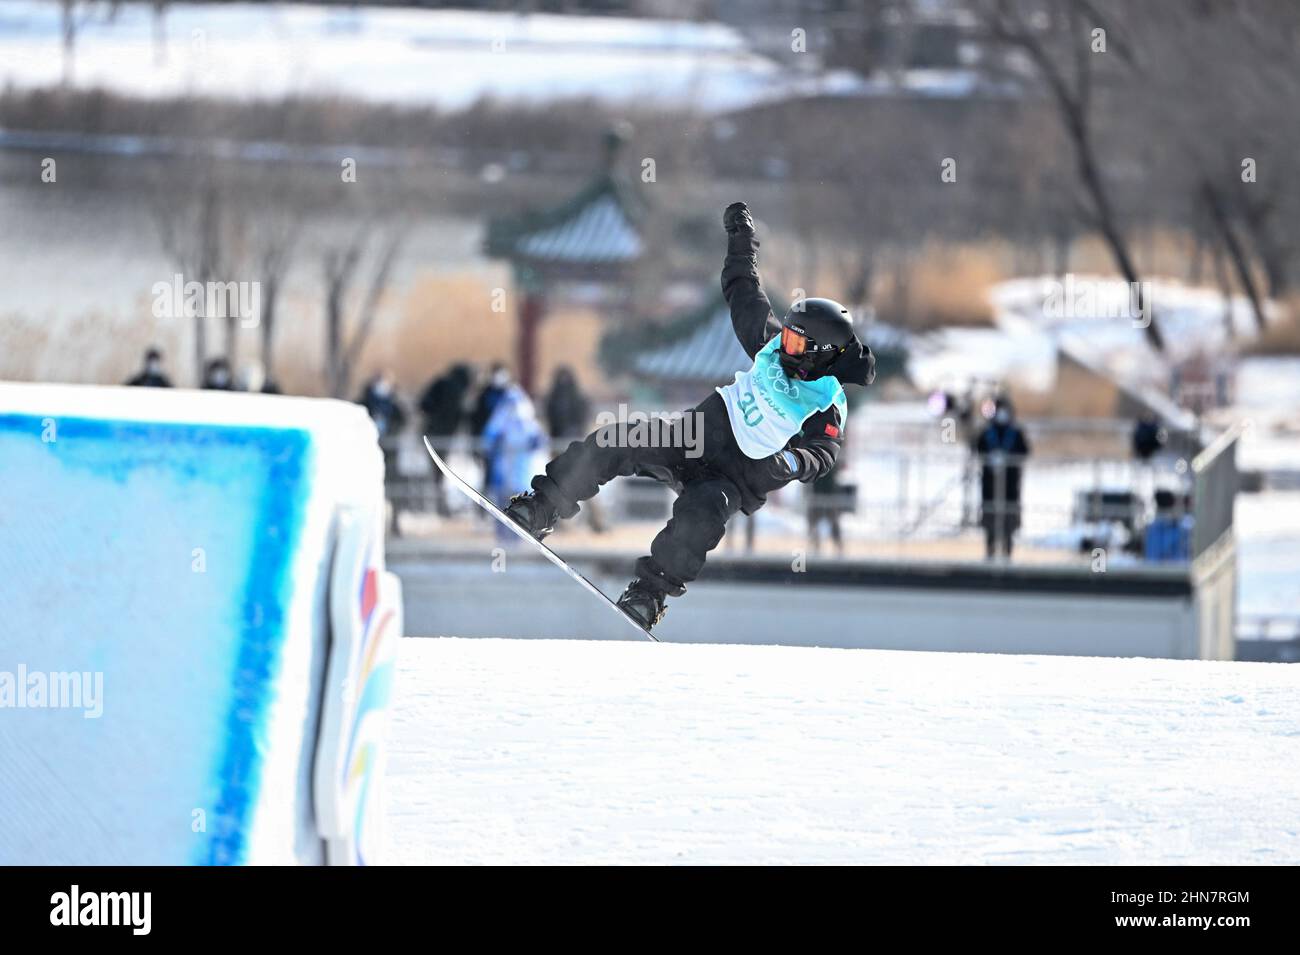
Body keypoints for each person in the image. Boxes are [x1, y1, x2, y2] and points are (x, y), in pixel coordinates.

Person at [501, 201, 876, 631]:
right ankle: (543, 506)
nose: (783, 345)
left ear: (821, 353)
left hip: (738, 475)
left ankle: (649, 594)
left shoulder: (826, 401)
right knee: (616, 441)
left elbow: (822, 454)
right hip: (697, 434)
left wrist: (790, 463)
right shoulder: (772, 346)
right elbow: (742, 289)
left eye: (795, 343)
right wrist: (742, 239)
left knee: (701, 518)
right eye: (786, 334)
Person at [482, 385, 546, 543]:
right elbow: (488, 440)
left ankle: (516, 539)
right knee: (502, 507)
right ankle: (503, 538)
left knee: (519, 510)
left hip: (521, 476)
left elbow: (540, 442)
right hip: (504, 474)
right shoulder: (501, 423)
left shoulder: (528, 425)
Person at [976, 396, 1030, 560]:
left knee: (1008, 518)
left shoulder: (1016, 432)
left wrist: (1009, 458)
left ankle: (1008, 552)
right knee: (991, 518)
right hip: (989, 486)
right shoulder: (986, 432)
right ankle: (990, 551)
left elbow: (1025, 451)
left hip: (1011, 486)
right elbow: (977, 448)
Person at [418, 364, 473, 516]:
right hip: (441, 434)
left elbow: (424, 404)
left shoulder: (442, 384)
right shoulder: (457, 390)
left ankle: (438, 505)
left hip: (434, 433)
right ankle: (439, 506)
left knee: (437, 472)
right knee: (439, 472)